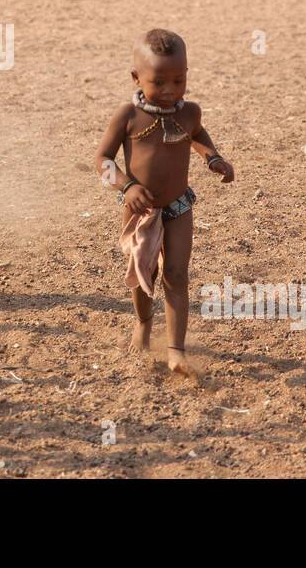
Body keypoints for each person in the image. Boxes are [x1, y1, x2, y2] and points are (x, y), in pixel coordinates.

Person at [93, 29, 234, 380]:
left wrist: (213, 158)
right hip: (139, 210)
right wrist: (126, 186)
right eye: (159, 81)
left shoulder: (189, 113)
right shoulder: (128, 115)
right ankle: (143, 322)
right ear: (136, 77)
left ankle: (175, 351)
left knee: (176, 274)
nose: (170, 89)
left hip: (178, 208)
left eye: (179, 79)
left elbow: (197, 135)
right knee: (145, 274)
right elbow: (102, 160)